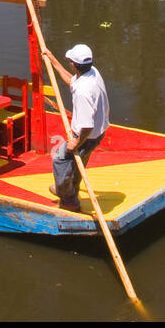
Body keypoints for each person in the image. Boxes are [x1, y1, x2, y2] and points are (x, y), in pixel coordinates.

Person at [43, 43, 109, 213]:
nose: (68, 64)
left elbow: (87, 125)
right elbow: (71, 82)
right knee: (77, 164)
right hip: (97, 133)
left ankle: (68, 198)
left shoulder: (83, 92)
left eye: (69, 62)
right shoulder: (92, 73)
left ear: (74, 65)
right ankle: (72, 192)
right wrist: (53, 61)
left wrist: (77, 142)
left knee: (61, 159)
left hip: (87, 136)